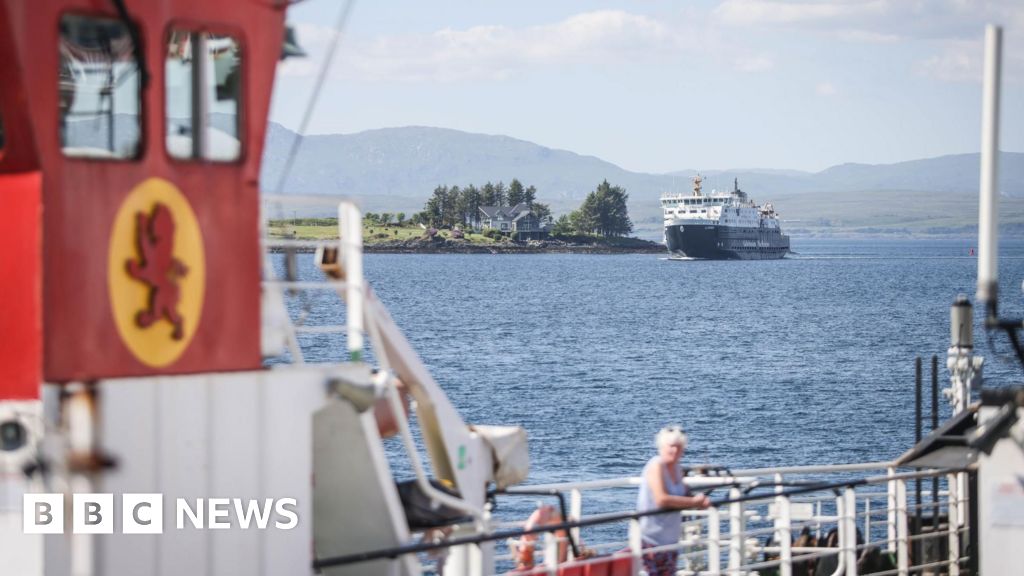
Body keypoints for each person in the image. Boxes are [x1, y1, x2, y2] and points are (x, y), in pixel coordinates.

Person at [636, 425, 710, 576]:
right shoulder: (656, 465)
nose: (674, 451)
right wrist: (694, 503)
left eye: (678, 447)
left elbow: (684, 494)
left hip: (670, 541)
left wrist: (700, 501)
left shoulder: (677, 468)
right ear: (661, 446)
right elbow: (661, 499)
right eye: (671, 446)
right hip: (650, 540)